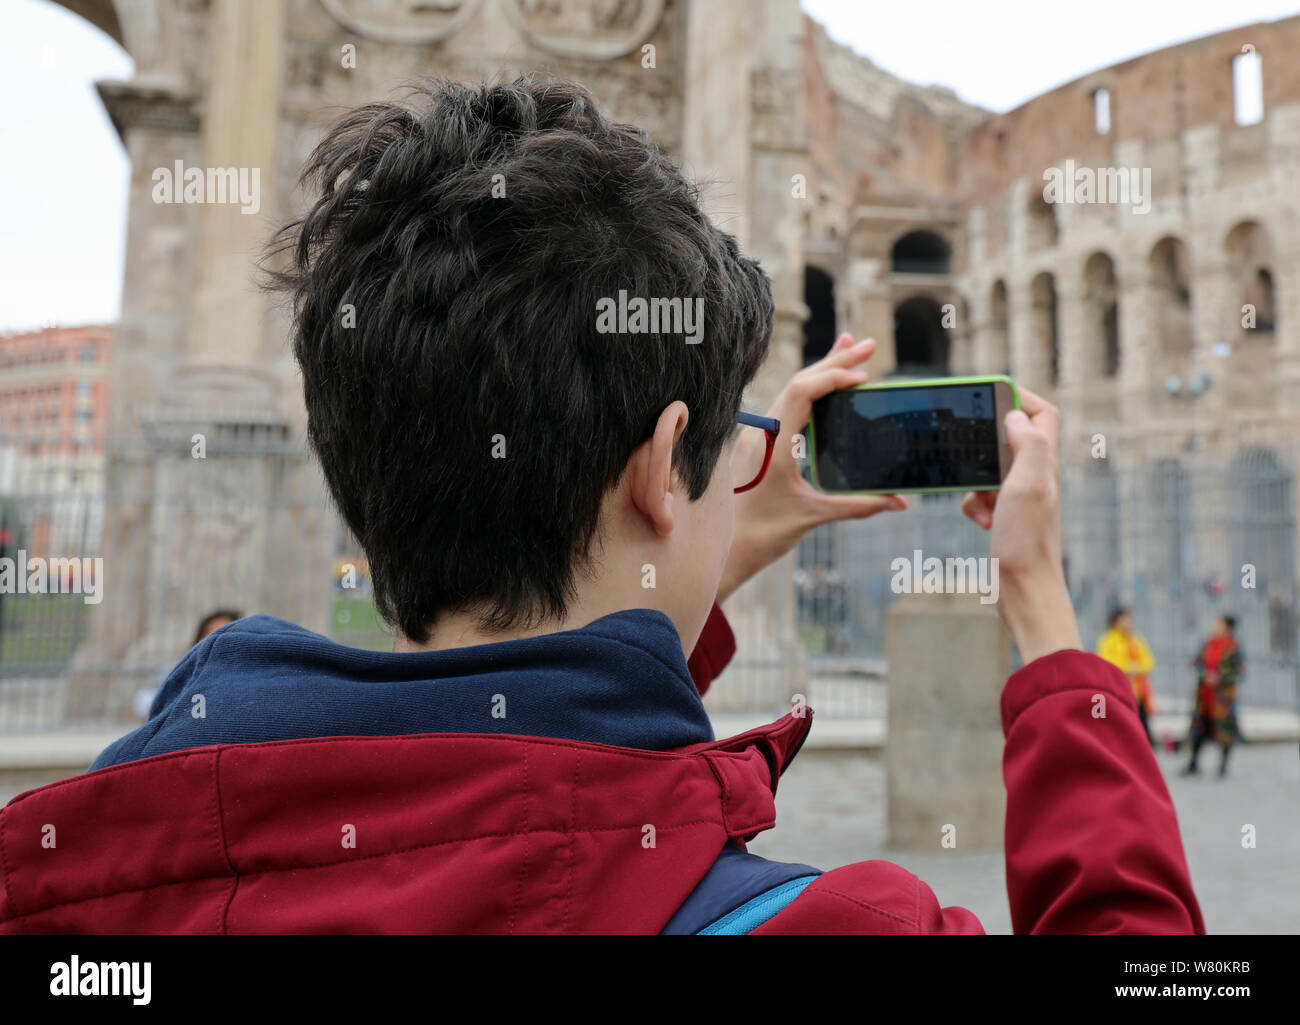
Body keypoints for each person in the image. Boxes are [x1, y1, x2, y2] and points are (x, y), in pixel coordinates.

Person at [0, 77, 1202, 934]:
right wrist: (1044, 616)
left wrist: (704, 538)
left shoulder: (79, 869)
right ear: (661, 465)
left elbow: (525, 711)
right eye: (728, 439)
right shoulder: (841, 923)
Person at [1183, 615, 1244, 778]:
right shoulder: (1207, 644)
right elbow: (1196, 663)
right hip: (1205, 697)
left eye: (1219, 625)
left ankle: (1223, 766)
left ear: (1227, 628)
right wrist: (1205, 675)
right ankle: (1193, 763)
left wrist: (1219, 678)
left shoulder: (1234, 647)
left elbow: (1239, 672)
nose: (1214, 627)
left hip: (1223, 698)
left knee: (1225, 733)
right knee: (1199, 731)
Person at [1097, 606, 1157, 745]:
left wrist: (1138, 669)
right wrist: (1128, 668)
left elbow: (1149, 662)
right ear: (1116, 621)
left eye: (1130, 620)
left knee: (1143, 728)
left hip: (1138, 693)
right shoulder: (1108, 640)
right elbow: (1107, 662)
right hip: (1118, 693)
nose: (1129, 623)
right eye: (1125, 620)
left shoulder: (1136, 640)